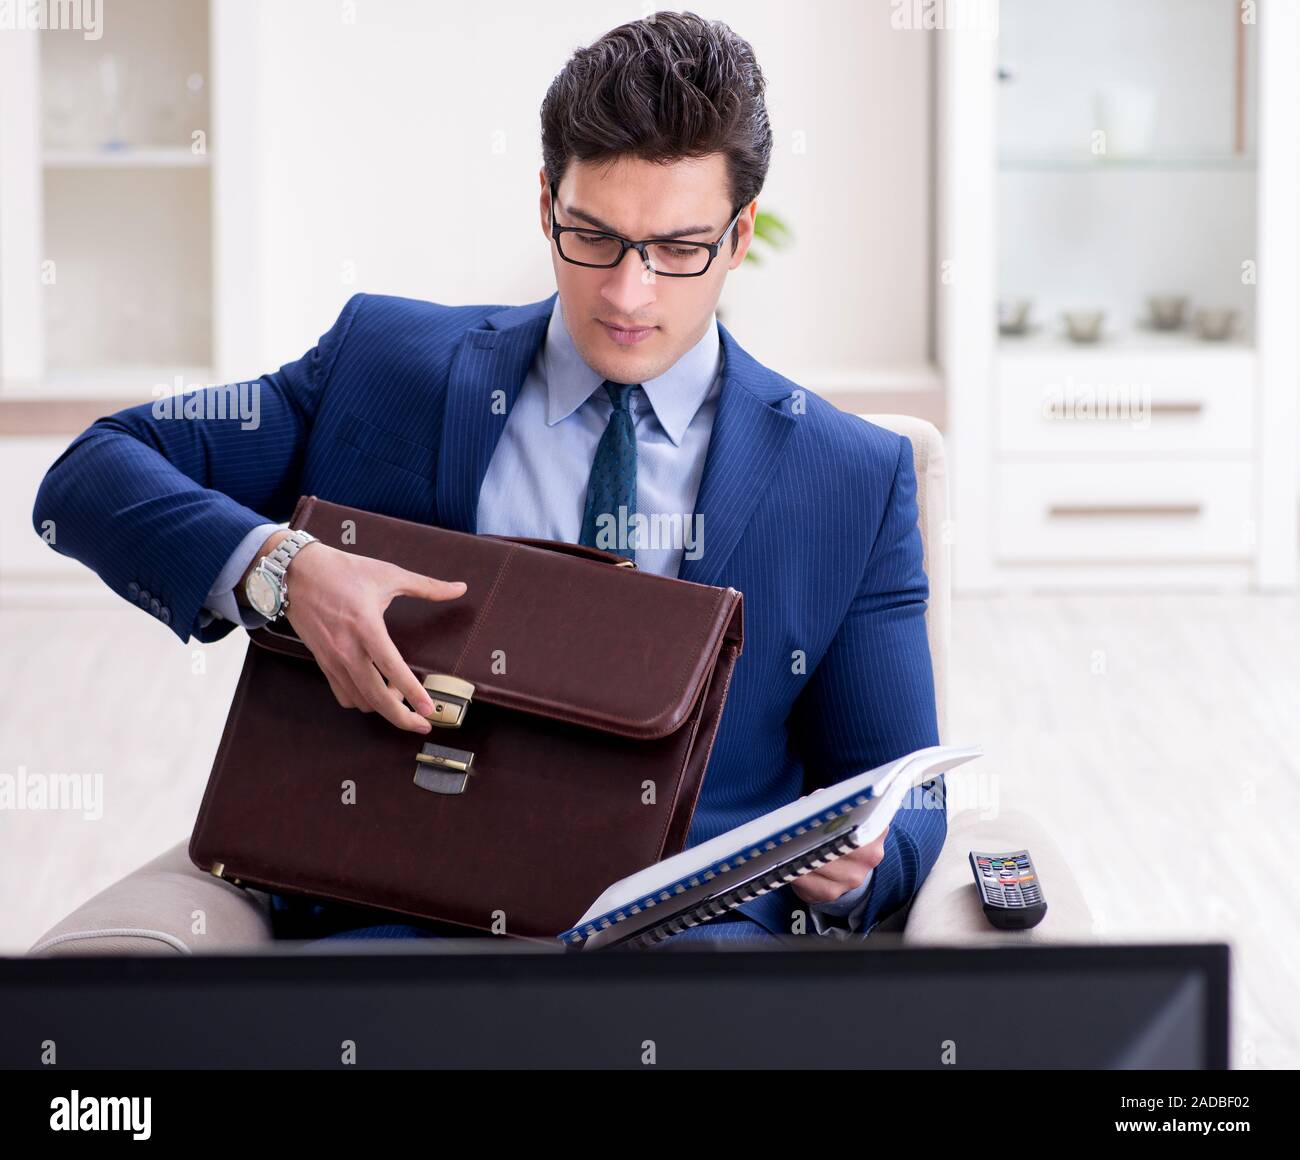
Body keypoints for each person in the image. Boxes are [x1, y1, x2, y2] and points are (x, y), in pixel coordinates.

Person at [31, 11, 944, 949]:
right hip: (398, 932)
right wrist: (281, 567)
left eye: (679, 250)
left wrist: (864, 864)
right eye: (593, 237)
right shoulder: (382, 367)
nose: (630, 295)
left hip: (686, 961)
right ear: (546, 202)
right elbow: (92, 473)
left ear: (740, 235)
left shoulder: (852, 478)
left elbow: (909, 790)